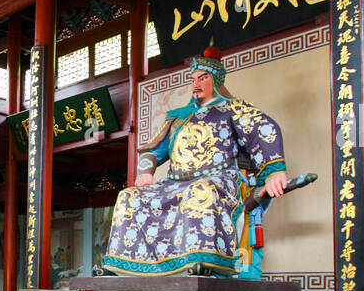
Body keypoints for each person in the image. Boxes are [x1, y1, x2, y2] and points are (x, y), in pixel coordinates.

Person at [103, 46, 289, 277]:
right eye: (193, 79)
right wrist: (146, 173)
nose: (196, 84)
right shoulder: (178, 117)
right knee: (128, 197)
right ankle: (124, 266)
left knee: (201, 192)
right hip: (173, 182)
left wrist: (274, 172)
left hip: (217, 178)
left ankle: (203, 260)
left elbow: (263, 130)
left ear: (216, 80)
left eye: (203, 78)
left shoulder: (232, 110)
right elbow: (151, 152)